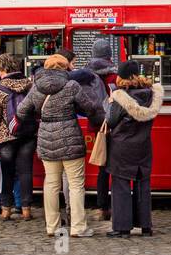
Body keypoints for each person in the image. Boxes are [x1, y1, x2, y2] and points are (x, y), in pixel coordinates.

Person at [17, 54, 105, 238]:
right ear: (65, 68)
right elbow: (89, 108)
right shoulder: (71, 86)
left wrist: (39, 117)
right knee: (75, 184)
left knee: (51, 183)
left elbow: (21, 111)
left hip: (46, 138)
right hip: (70, 137)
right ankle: (78, 227)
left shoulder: (36, 88)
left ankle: (53, 227)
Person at [103, 60, 163, 237]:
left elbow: (111, 120)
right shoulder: (151, 95)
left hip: (122, 147)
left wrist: (108, 102)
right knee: (143, 183)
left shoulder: (121, 97)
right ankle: (146, 226)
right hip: (143, 145)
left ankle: (122, 228)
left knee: (120, 185)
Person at [0, 53, 36, 220]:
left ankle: (6, 210)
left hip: (6, 137)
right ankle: (26, 209)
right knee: (25, 172)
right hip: (28, 134)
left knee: (7, 172)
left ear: (3, 69)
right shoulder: (30, 86)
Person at [72, 39, 119, 219]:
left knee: (102, 167)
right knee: (116, 168)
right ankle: (117, 206)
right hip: (114, 125)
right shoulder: (114, 76)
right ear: (109, 55)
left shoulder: (86, 75)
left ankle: (102, 208)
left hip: (97, 126)